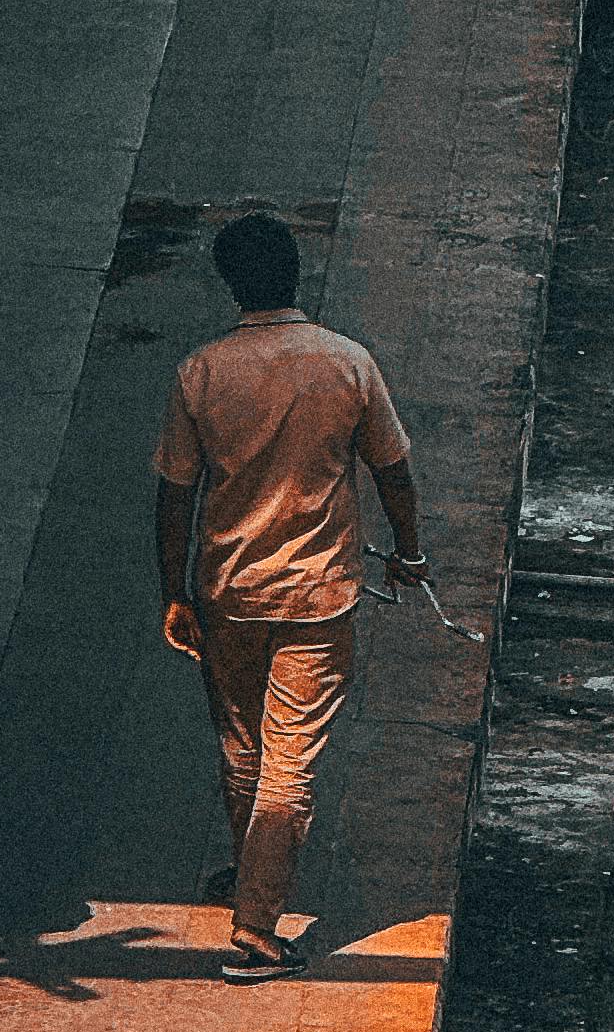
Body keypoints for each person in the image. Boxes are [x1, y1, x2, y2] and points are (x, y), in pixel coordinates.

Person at [154, 214, 425, 981]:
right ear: (297, 273)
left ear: (231, 283)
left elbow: (175, 494)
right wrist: (410, 554)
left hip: (227, 592)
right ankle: (259, 927)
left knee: (242, 747)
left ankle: (251, 873)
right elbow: (392, 472)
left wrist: (172, 591)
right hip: (318, 595)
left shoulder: (200, 372)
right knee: (292, 759)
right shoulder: (347, 363)